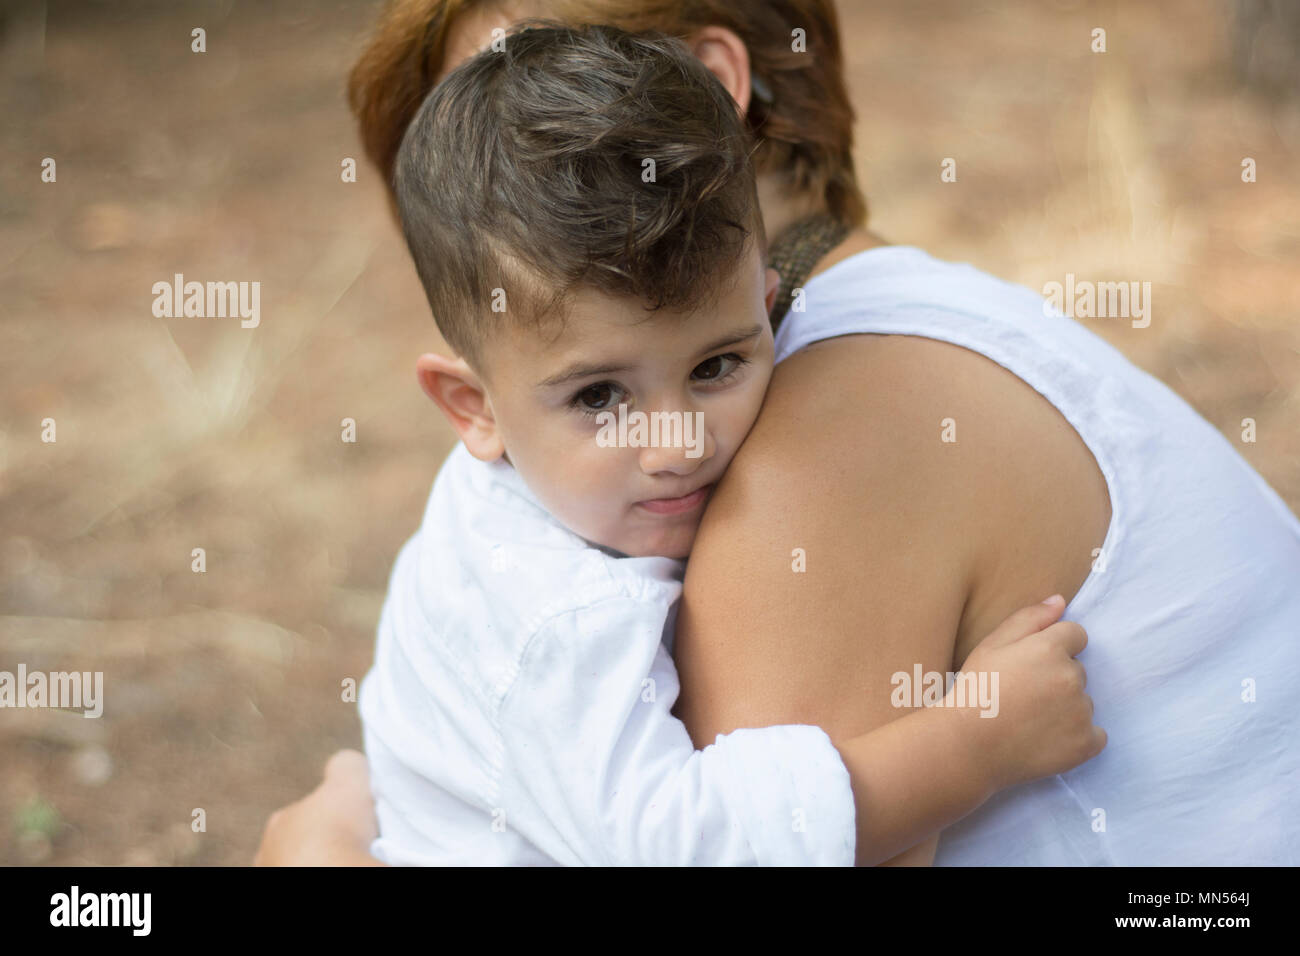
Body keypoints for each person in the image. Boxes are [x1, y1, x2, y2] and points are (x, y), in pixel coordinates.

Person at [257, 0, 1300, 866]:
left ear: (713, 78)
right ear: (472, 404)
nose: (503, 162)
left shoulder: (830, 430)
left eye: (559, 75)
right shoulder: (879, 336)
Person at [361, 23, 1101, 866]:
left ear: (768, 305)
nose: (677, 446)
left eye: (717, 365)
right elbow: (679, 847)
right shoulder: (555, 617)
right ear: (472, 408)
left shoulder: (562, 494)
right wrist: (974, 745)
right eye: (599, 396)